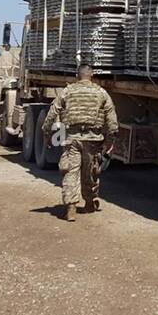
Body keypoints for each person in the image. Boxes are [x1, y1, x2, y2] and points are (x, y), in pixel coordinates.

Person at [41, 61, 118, 222]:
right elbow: (112, 121)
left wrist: (47, 133)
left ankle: (71, 207)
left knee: (71, 171)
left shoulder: (67, 91)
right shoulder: (101, 93)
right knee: (90, 173)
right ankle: (89, 202)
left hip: (71, 139)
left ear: (77, 76)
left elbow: (52, 113)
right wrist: (110, 142)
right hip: (93, 140)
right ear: (92, 75)